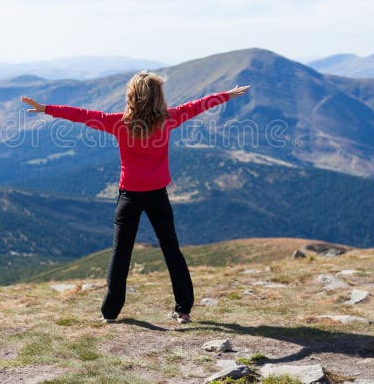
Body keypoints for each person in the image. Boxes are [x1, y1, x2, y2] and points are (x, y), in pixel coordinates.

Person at [21, 71, 250, 324]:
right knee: (171, 250)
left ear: (132, 96)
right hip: (157, 195)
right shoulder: (169, 119)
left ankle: (109, 313)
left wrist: (46, 109)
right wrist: (226, 95)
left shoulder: (118, 122)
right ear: (157, 97)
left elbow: (82, 115)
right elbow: (197, 106)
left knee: (121, 254)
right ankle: (183, 309)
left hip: (129, 195)